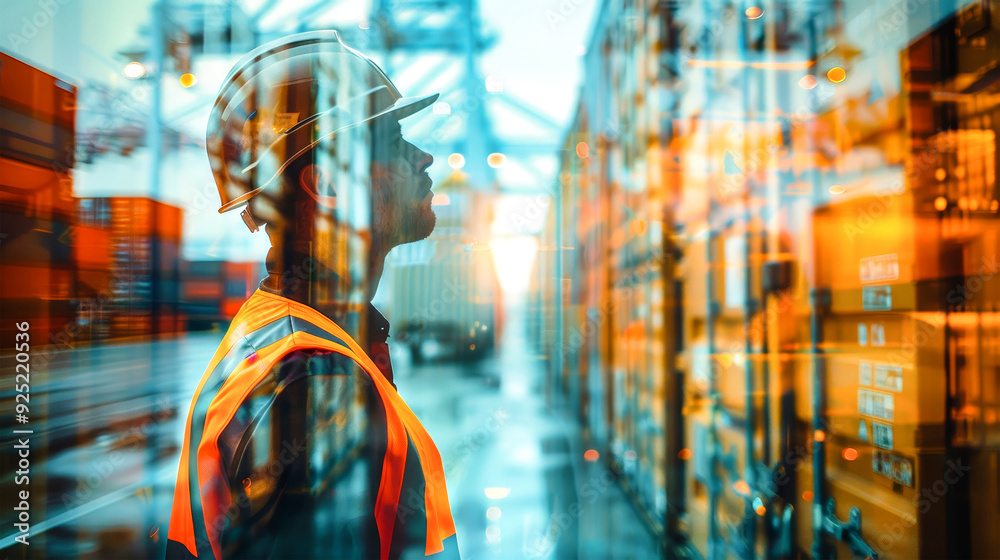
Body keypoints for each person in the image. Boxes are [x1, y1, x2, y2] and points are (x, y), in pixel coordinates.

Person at [165, 30, 460, 560]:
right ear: (326, 186)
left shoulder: (284, 335)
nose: (424, 158)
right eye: (394, 142)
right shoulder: (314, 381)